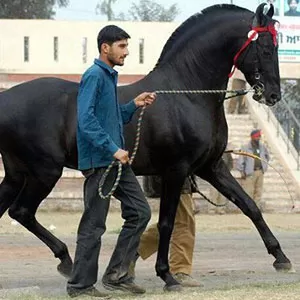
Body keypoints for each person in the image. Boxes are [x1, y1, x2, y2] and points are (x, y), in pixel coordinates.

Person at [66, 25, 156, 298]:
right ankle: (79, 286)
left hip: (115, 162)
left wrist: (134, 105)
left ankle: (116, 275)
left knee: (140, 212)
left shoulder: (108, 77)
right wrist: (113, 149)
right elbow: (86, 120)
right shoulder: (94, 75)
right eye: (122, 46)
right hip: (100, 161)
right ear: (105, 48)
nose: (126, 52)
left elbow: (110, 116)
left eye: (126, 47)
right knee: (94, 225)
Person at [136, 176, 201, 287]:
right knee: (183, 221)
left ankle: (130, 253)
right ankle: (180, 271)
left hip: (177, 177)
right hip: (173, 177)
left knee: (172, 222)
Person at [236, 129, 270, 211]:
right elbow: (241, 159)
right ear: (252, 137)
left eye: (259, 136)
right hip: (250, 173)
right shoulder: (246, 147)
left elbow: (267, 156)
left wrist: (264, 166)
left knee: (258, 191)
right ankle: (248, 209)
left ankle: (256, 208)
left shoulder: (262, 146)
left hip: (260, 172)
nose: (258, 138)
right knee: (249, 192)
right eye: (257, 136)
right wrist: (241, 171)